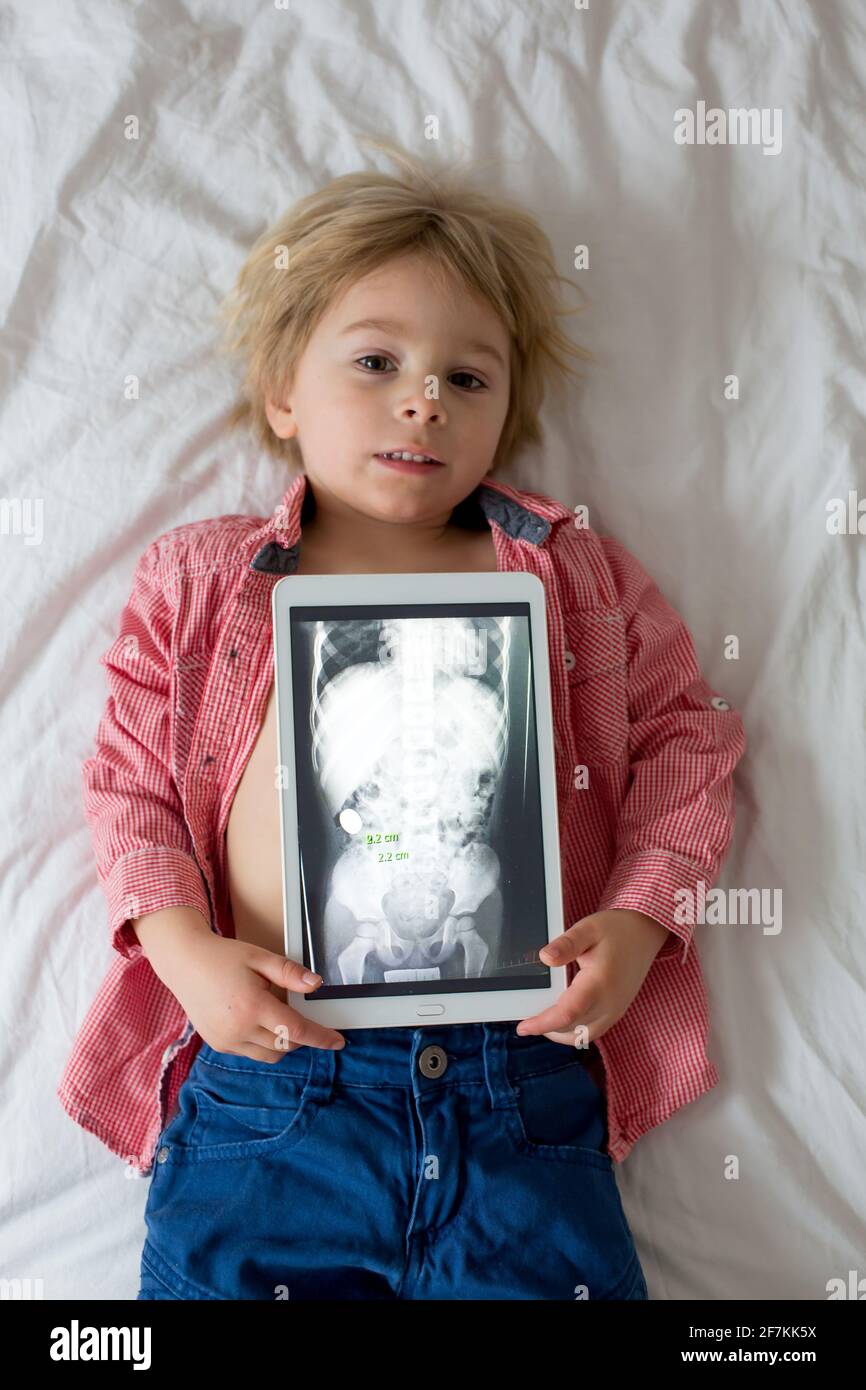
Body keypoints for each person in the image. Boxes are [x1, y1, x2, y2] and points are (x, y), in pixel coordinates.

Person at [57, 141, 746, 1300]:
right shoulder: (202, 580)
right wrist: (184, 956)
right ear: (282, 392)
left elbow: (687, 737)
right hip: (273, 1077)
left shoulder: (564, 577)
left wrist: (634, 925)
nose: (422, 398)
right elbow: (128, 788)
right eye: (375, 362)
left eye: (466, 380)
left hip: (514, 1080)